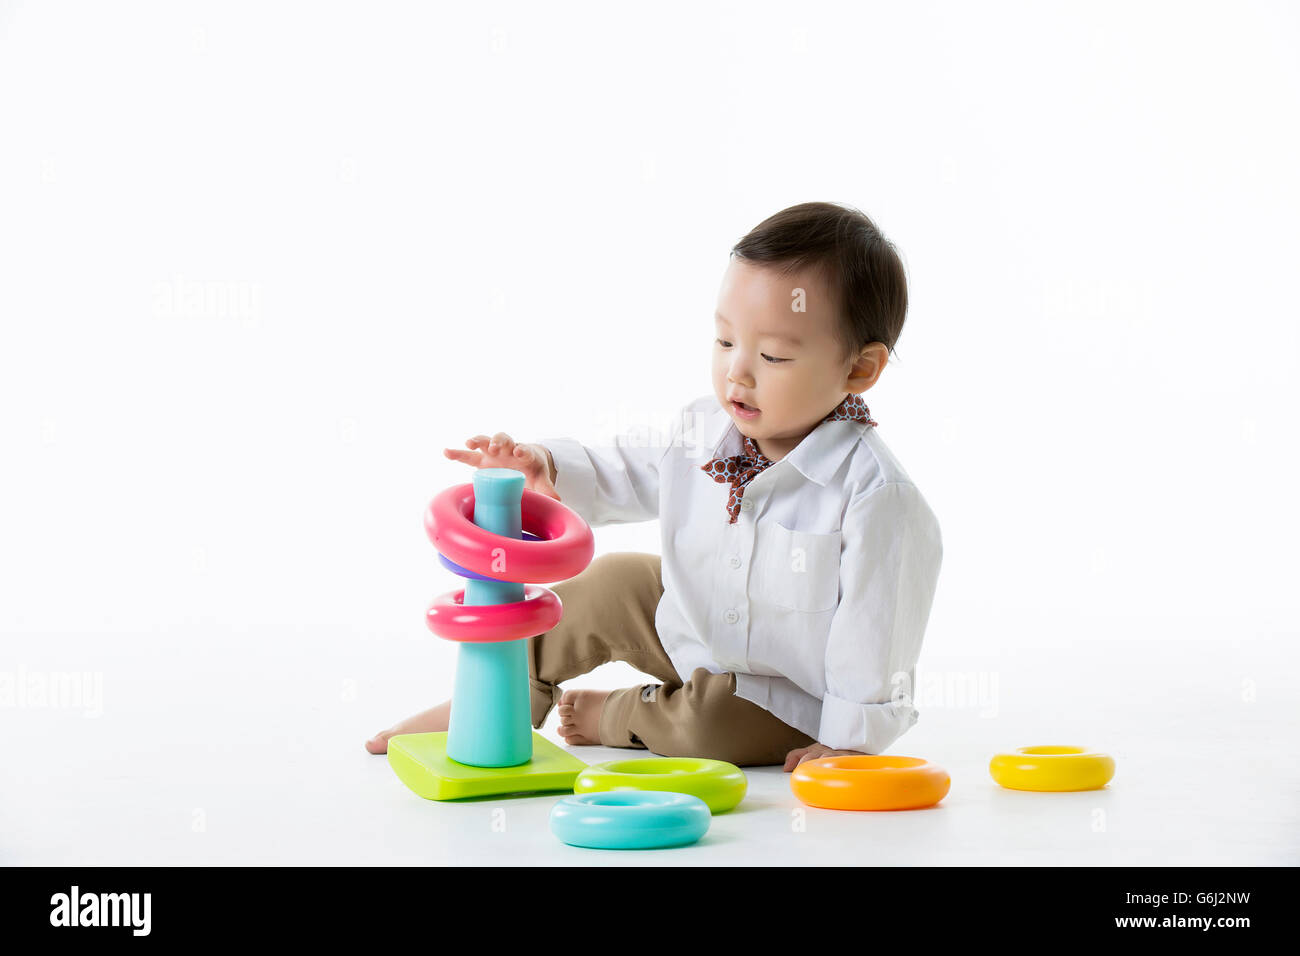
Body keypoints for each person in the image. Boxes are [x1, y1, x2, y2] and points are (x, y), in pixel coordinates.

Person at [366, 201, 943, 770]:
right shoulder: (701, 429)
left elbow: (877, 634)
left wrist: (849, 741)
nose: (737, 372)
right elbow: (624, 470)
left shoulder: (876, 497)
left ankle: (621, 715)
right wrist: (543, 465)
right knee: (609, 581)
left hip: (783, 698)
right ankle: (497, 699)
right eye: (724, 343)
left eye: (772, 355)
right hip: (692, 636)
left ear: (859, 370)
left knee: (709, 724)